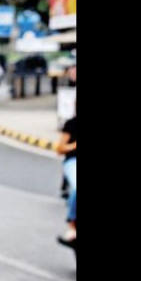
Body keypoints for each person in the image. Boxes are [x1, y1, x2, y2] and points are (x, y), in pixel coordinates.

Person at [56, 100, 77, 246]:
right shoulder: (71, 124)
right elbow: (60, 148)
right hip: (73, 161)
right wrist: (75, 145)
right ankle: (72, 225)